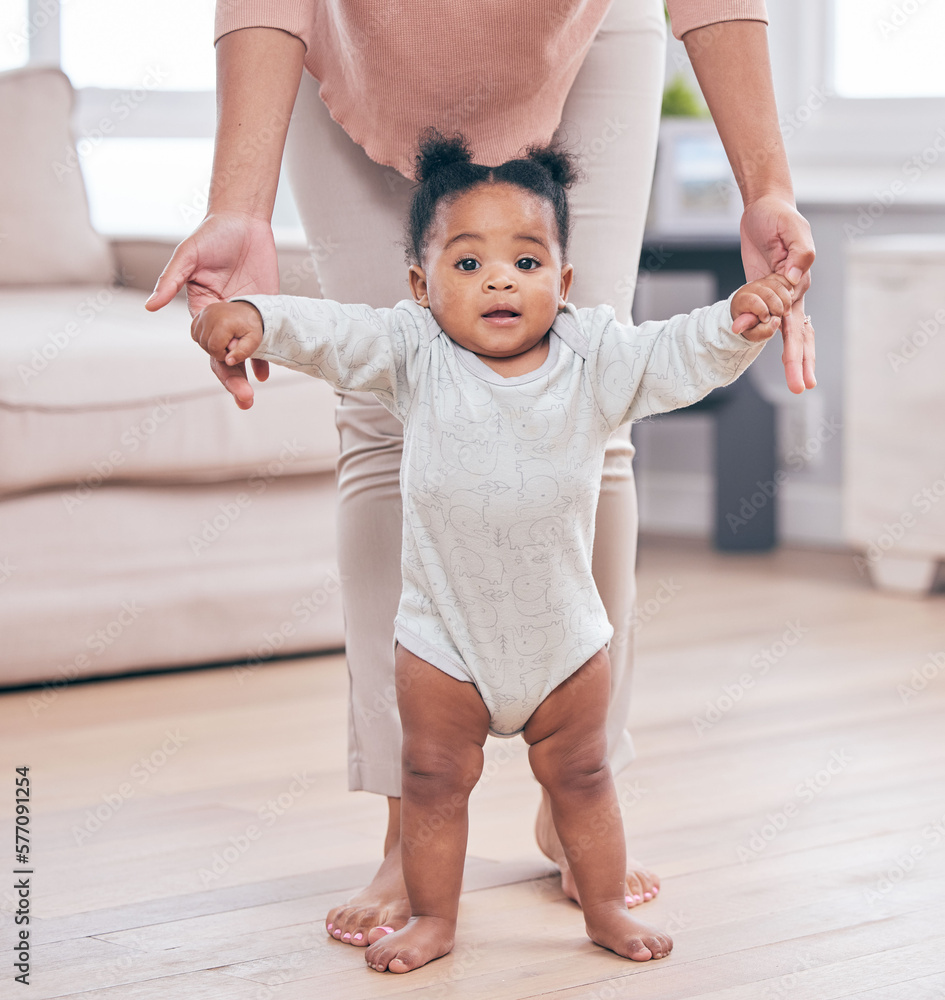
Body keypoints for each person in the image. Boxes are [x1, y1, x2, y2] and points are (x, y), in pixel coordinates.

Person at [146, 0, 816, 947]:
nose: (499, 282)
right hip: (351, 37)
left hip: (581, 28)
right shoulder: (406, 334)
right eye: (469, 265)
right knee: (378, 420)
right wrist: (247, 252)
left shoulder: (588, 338)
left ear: (559, 278)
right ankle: (406, 819)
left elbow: (667, 356)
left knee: (605, 403)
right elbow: (346, 337)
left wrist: (765, 191)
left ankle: (581, 791)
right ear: (426, 287)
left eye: (524, 265)